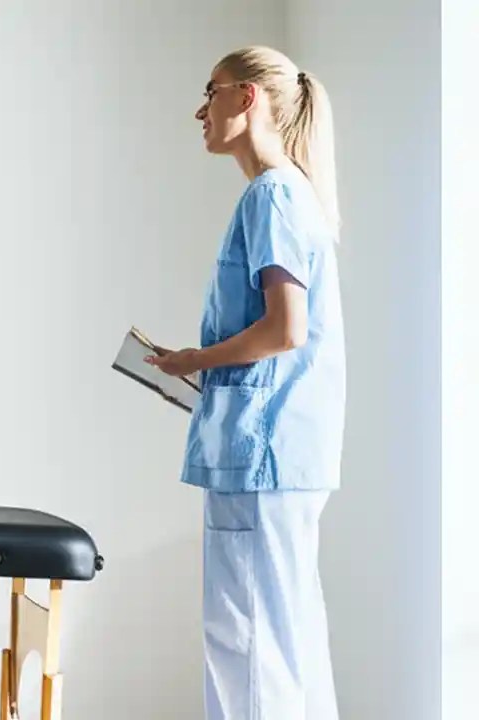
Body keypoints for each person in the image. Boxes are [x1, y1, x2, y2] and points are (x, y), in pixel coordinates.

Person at [145, 45, 345, 719]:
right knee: (284, 641)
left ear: (248, 98)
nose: (200, 110)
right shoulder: (287, 194)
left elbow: (284, 330)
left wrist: (192, 362)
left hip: (263, 458)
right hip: (273, 452)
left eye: (212, 92)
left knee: (250, 644)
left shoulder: (273, 196)